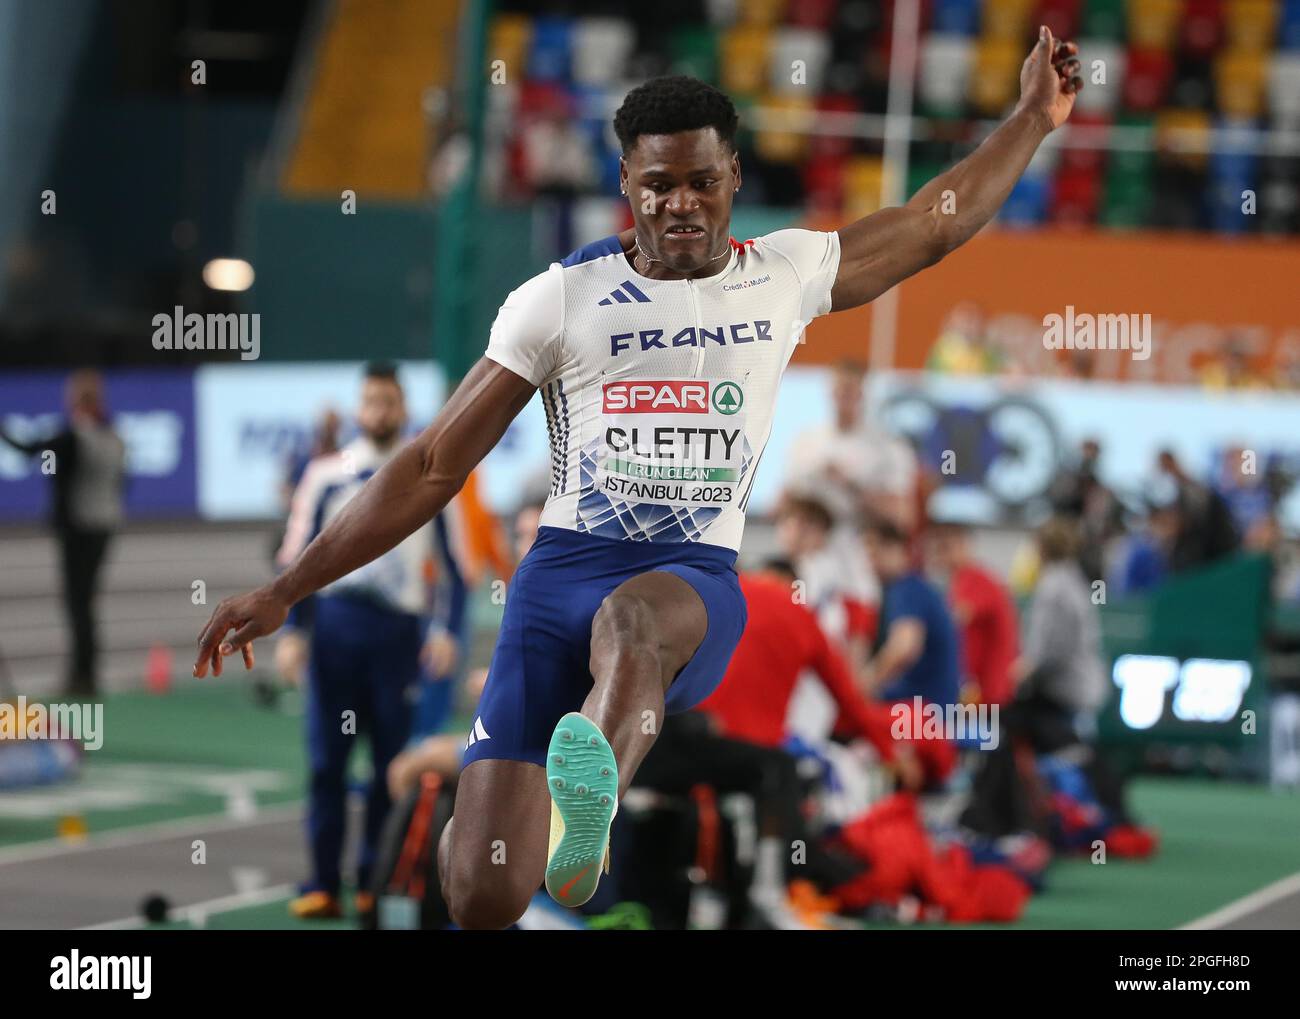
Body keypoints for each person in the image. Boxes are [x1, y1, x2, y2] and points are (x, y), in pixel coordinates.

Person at [195, 36, 1085, 929]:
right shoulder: (560, 299)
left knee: (630, 625)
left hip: (688, 580)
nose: (682, 202)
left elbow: (936, 219)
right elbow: (434, 463)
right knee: (480, 891)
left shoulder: (784, 275)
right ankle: (554, 816)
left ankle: (592, 806)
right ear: (627, 181)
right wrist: (288, 586)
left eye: (702, 179)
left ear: (734, 175)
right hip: (556, 581)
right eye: (658, 184)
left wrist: (1032, 120)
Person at [272, 362, 466, 919]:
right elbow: (296, 561)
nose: (380, 411)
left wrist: (446, 632)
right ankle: (323, 882)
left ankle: (373, 880)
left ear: (403, 408)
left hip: (397, 638)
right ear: (359, 409)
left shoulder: (430, 476)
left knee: (391, 763)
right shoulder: (326, 475)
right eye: (371, 401)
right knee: (326, 764)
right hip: (336, 630)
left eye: (389, 401)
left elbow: (455, 569)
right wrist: (292, 631)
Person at [1, 370, 125, 697]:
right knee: (86, 601)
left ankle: (81, 676)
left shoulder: (70, 437)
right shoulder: (113, 436)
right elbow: (123, 483)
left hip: (79, 528)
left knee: (77, 603)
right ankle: (86, 673)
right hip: (106, 525)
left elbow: (30, 451)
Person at [927, 522, 1019, 706]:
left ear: (964, 545)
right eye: (937, 548)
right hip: (979, 690)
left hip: (988, 692)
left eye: (946, 548)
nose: (939, 555)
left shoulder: (974, 578)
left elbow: (955, 618)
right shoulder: (962, 580)